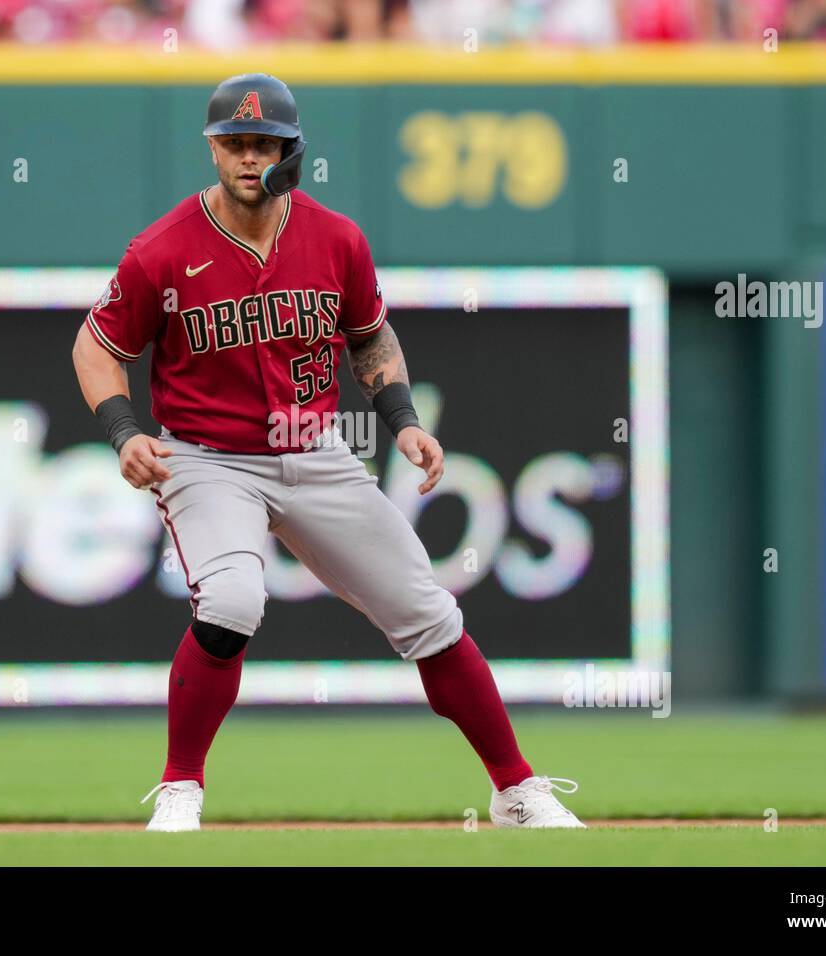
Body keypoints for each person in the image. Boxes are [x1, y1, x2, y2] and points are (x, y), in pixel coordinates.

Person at [71, 73, 585, 831]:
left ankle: (515, 788)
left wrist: (402, 418)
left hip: (314, 449)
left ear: (291, 151)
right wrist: (123, 430)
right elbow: (95, 345)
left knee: (428, 612)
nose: (250, 158)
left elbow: (370, 335)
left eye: (265, 144)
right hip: (208, 457)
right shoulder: (162, 251)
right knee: (234, 602)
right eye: (236, 143)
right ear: (212, 149)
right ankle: (182, 786)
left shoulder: (336, 238)